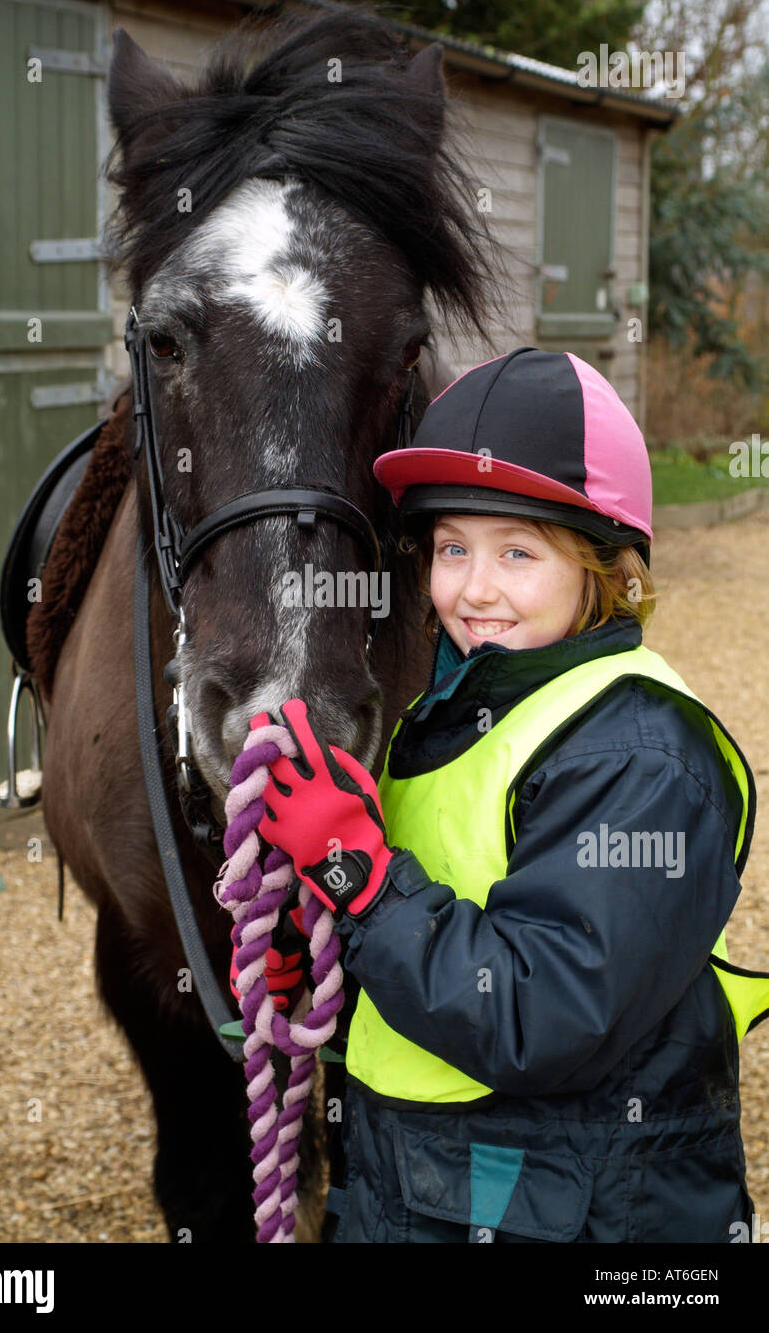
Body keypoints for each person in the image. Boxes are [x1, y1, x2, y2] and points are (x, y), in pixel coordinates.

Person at [253, 347, 769, 1244]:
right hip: (424, 1183)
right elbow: (440, 889)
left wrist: (360, 883)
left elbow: (542, 1012)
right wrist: (312, 936)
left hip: (576, 1211)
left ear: (605, 569)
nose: (474, 589)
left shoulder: (643, 756)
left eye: (518, 553)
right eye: (452, 548)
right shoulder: (454, 710)